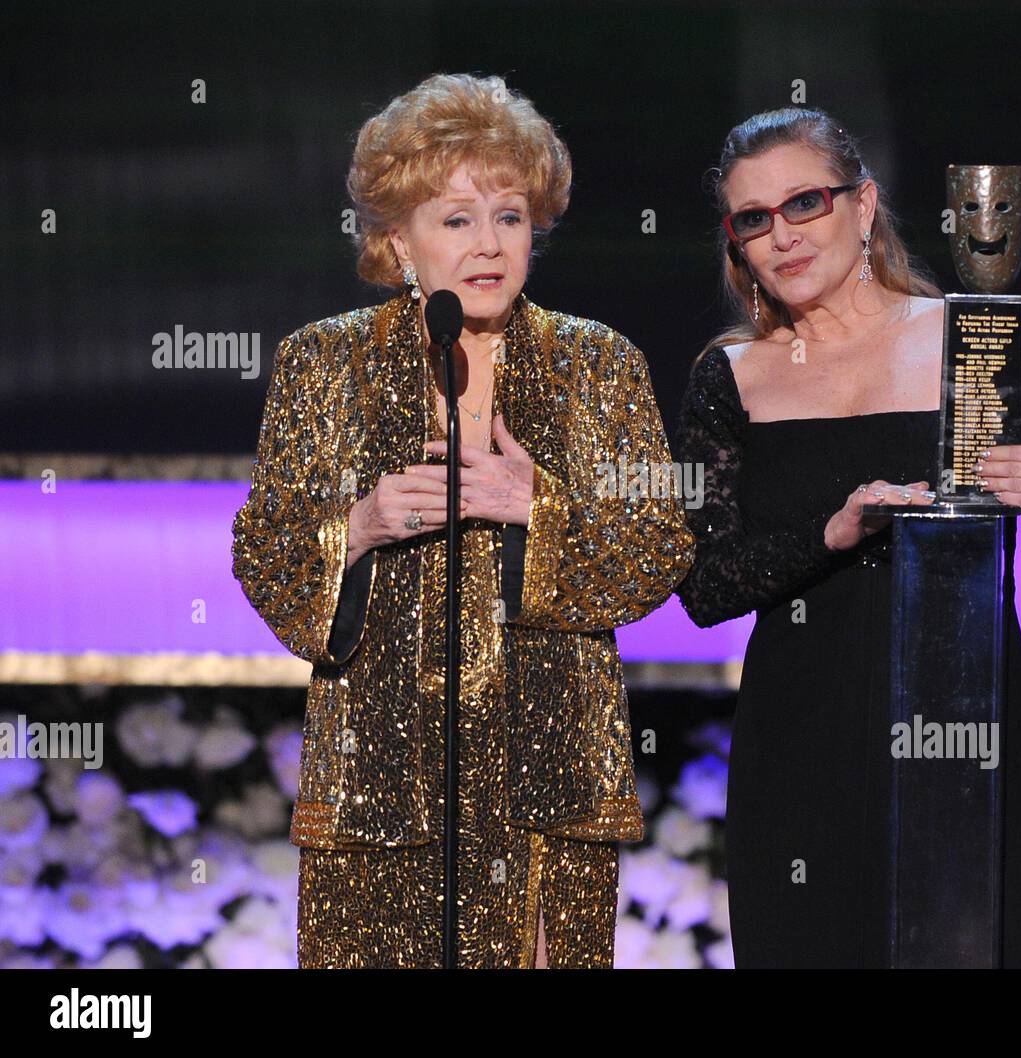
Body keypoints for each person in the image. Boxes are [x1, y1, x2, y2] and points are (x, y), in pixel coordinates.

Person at [231, 73, 694, 968]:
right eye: (456, 220)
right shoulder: (322, 363)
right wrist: (354, 528)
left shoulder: (599, 365)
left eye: (510, 217)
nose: (489, 245)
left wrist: (540, 510)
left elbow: (658, 550)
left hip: (545, 795)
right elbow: (265, 549)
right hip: (379, 793)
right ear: (396, 238)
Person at [674, 107, 1021, 968]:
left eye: (806, 204)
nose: (783, 237)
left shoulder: (970, 340)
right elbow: (704, 587)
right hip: (803, 732)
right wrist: (831, 532)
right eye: (754, 219)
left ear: (864, 204)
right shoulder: (729, 377)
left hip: (962, 713)